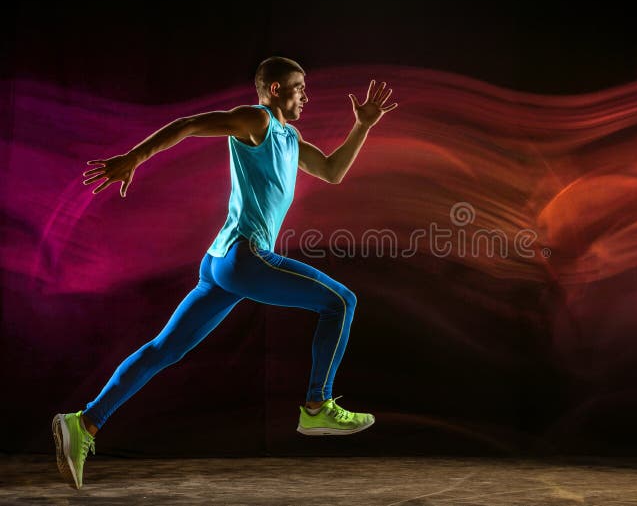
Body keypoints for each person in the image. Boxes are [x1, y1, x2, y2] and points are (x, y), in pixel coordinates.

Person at [52, 56, 398, 489]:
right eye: (298, 87)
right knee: (342, 302)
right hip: (243, 256)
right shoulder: (257, 121)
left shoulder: (290, 139)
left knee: (164, 350)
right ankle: (317, 406)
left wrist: (362, 126)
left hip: (220, 264)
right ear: (273, 90)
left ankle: (85, 423)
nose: (305, 95)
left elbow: (332, 171)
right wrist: (135, 158)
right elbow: (189, 125)